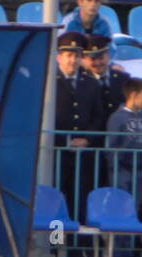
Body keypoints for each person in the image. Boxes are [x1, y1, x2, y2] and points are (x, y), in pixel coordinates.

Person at [54, 32, 106, 223]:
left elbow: (98, 116)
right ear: (59, 57)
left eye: (76, 55)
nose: (72, 60)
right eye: (68, 55)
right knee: (56, 199)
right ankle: (55, 243)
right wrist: (65, 140)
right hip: (57, 152)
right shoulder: (50, 82)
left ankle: (78, 246)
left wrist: (88, 139)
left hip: (83, 154)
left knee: (81, 198)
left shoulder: (90, 83)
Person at [107, 79, 142, 257]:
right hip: (122, 171)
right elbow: (112, 145)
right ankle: (118, 252)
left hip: (140, 170)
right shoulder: (117, 117)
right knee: (121, 208)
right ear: (134, 95)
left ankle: (129, 251)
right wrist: (116, 168)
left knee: (135, 207)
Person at [84, 35, 130, 121]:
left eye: (101, 58)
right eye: (93, 59)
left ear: (108, 56)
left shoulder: (123, 79)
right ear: (85, 59)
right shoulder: (82, 82)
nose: (97, 63)